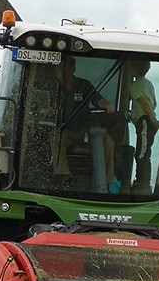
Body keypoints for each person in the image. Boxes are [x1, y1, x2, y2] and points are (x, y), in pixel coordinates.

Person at [51, 56, 119, 192]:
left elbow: (98, 100)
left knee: (108, 141)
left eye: (66, 68)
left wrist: (107, 104)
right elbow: (48, 108)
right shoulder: (54, 89)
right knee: (54, 137)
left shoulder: (84, 85)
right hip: (65, 131)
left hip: (85, 130)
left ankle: (106, 184)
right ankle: (64, 179)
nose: (63, 72)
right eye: (60, 69)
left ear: (73, 69)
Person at [129, 60, 159, 193]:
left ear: (134, 69)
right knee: (144, 152)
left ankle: (142, 183)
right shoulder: (148, 83)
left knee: (142, 153)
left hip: (145, 121)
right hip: (147, 121)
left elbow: (145, 105)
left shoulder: (136, 85)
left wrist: (153, 120)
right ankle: (143, 182)